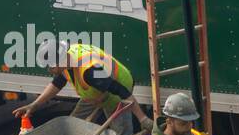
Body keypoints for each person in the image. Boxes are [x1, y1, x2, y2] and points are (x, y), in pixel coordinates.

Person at [15, 38, 150, 128]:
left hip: (116, 90)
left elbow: (122, 91)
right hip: (95, 92)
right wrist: (34, 105)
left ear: (59, 61)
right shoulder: (66, 60)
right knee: (74, 125)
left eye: (50, 67)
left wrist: (142, 119)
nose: (49, 70)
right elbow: (57, 84)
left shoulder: (90, 71)